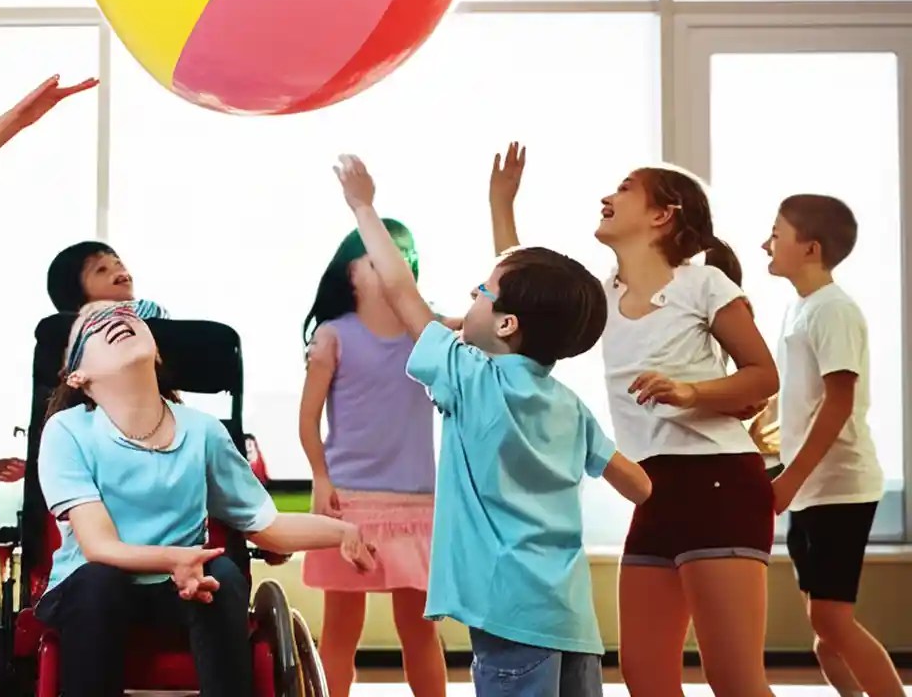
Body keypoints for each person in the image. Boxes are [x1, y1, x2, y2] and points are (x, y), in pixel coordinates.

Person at [332, 154, 652, 697]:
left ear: (506, 324)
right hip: (572, 618)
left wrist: (363, 206)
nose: (470, 296)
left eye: (480, 291)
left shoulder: (470, 378)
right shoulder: (569, 405)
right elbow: (640, 486)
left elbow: (401, 292)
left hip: (507, 613)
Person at [490, 142, 780, 697]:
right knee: (644, 679)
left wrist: (690, 392)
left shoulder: (703, 284)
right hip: (653, 491)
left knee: (735, 681)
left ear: (662, 214)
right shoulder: (601, 299)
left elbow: (763, 376)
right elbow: (526, 292)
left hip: (720, 483)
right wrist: (502, 204)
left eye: (624, 188)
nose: (608, 196)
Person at [35, 300, 378, 696]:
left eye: (127, 315)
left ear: (156, 352)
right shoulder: (68, 431)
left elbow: (267, 526)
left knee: (221, 576)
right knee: (100, 580)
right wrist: (176, 559)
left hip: (182, 586)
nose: (116, 319)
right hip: (90, 589)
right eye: (94, 324)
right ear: (77, 376)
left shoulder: (204, 431)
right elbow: (100, 547)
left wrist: (343, 533)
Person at [761, 195, 902, 697]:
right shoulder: (800, 309)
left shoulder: (833, 310)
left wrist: (789, 479)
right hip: (812, 492)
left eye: (776, 234)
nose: (765, 244)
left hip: (839, 489)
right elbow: (801, 395)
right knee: (826, 636)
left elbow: (838, 402)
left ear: (811, 248)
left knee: (832, 622)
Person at [299, 221, 447, 697]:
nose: (392, 265)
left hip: (417, 503)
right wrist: (320, 478)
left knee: (420, 629)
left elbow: (488, 327)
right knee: (341, 630)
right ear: (350, 273)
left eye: (402, 256)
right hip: (349, 504)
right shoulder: (333, 337)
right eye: (376, 257)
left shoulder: (429, 334)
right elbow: (308, 420)